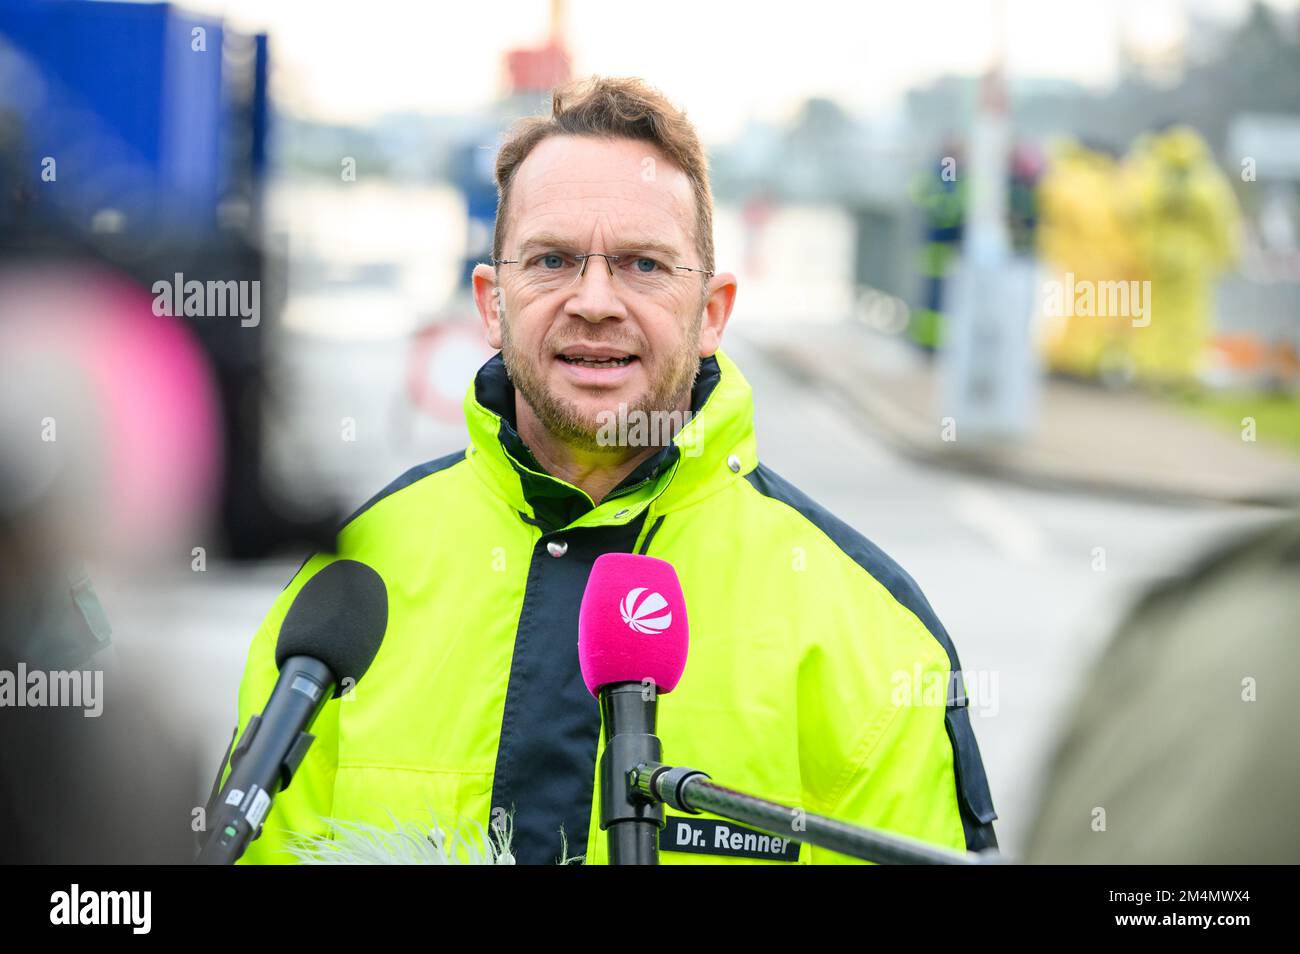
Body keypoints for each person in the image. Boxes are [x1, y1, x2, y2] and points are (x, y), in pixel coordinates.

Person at [222, 76, 998, 865]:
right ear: (492, 303)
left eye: (643, 266)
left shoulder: (871, 635)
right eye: (552, 259)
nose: (594, 301)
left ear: (714, 314)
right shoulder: (347, 592)